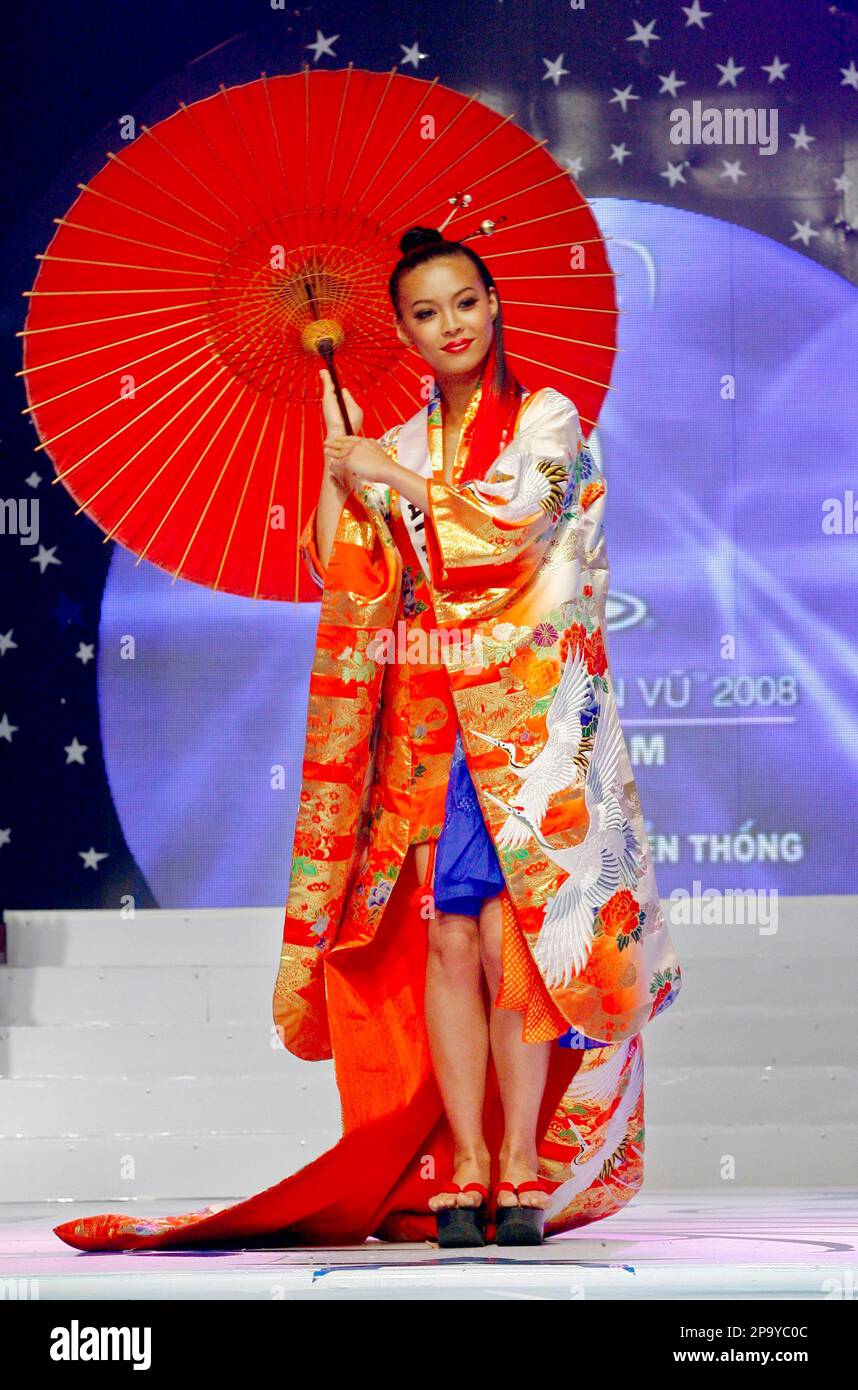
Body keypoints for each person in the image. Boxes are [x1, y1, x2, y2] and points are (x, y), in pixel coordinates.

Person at [54, 226, 682, 1254]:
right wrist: (336, 460)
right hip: (430, 721)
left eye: (466, 303)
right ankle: (465, 1162)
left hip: (526, 730)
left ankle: (521, 1160)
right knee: (444, 936)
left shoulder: (547, 417)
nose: (451, 326)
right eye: (427, 314)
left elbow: (521, 524)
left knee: (510, 940)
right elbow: (350, 576)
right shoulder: (398, 435)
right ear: (399, 330)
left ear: (494, 304)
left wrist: (388, 470)